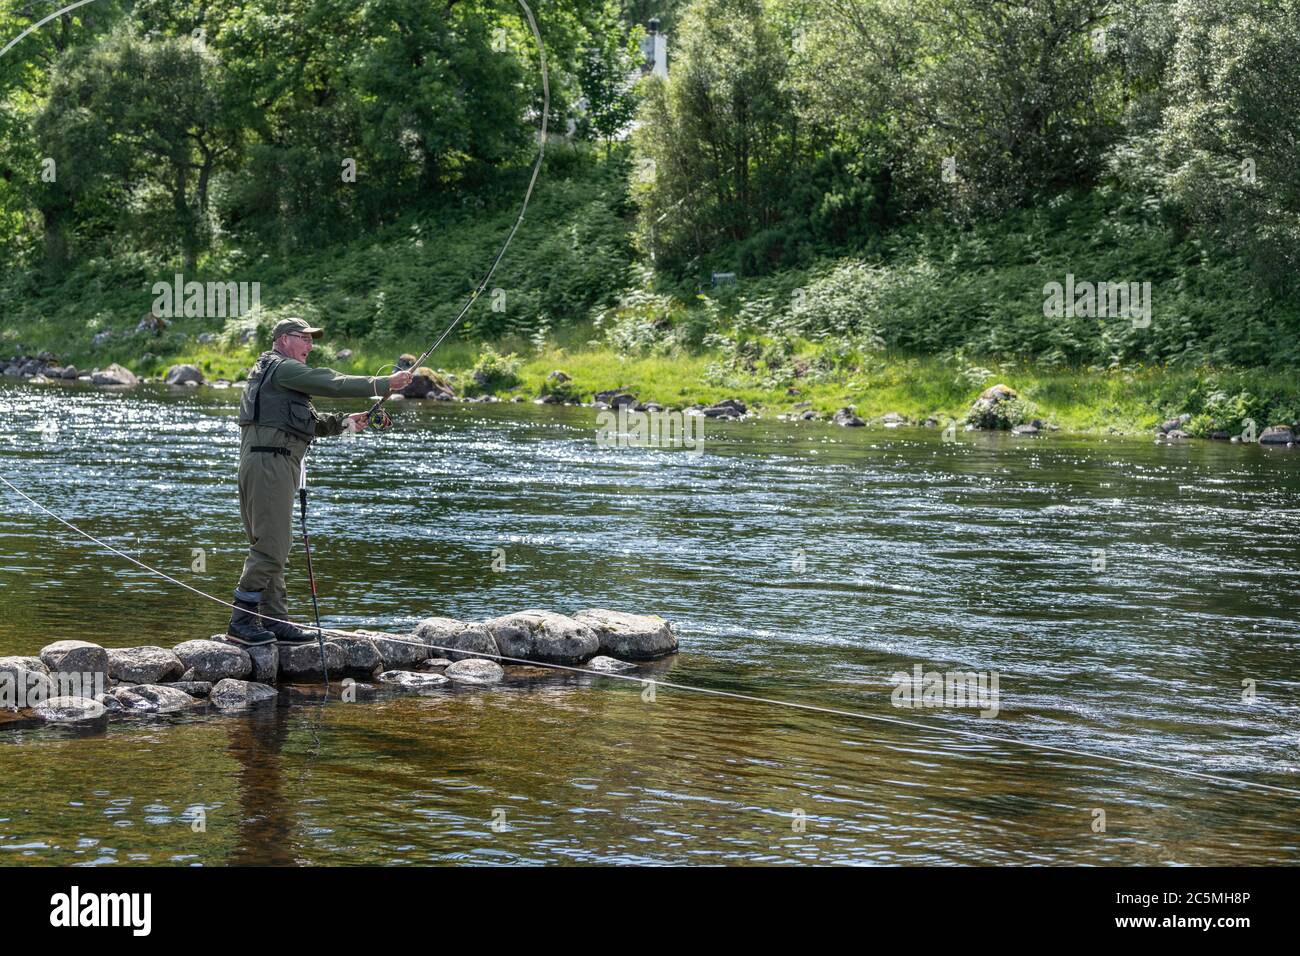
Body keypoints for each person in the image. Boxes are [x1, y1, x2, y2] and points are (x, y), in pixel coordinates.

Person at [227, 317, 412, 645]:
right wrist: (385, 384)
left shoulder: (276, 374)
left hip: (269, 462)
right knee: (272, 546)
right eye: (305, 339)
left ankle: (274, 620)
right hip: (270, 464)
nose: (311, 346)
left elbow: (307, 422)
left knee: (273, 543)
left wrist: (345, 423)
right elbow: (332, 383)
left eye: (312, 340)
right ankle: (241, 621)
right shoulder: (282, 368)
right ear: (284, 340)